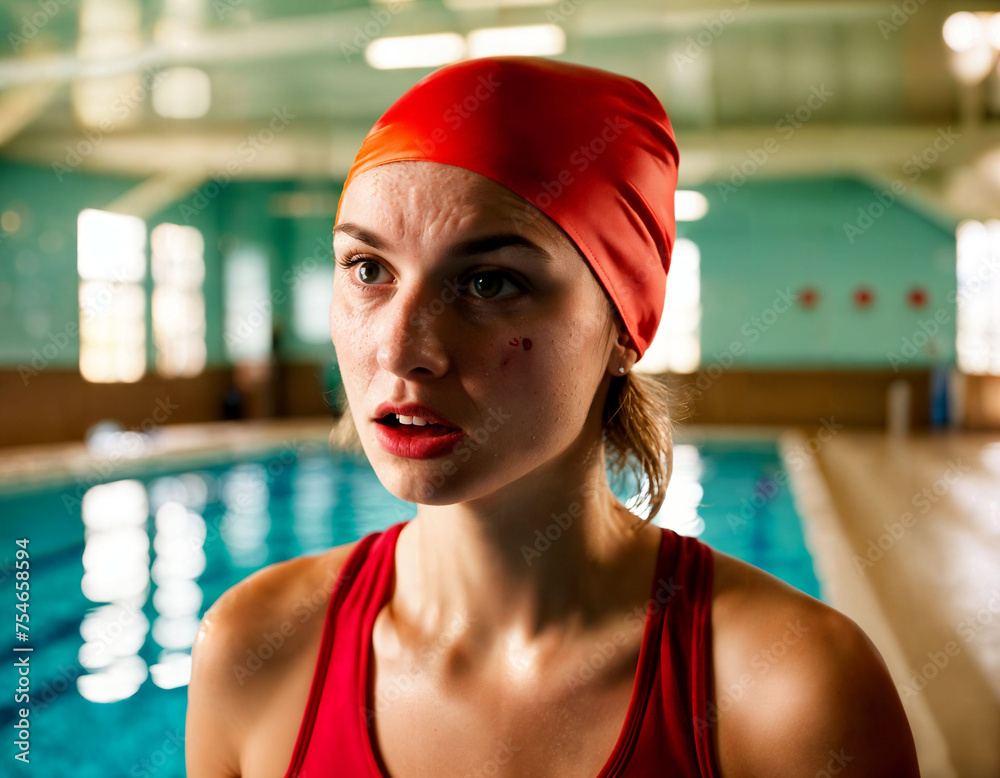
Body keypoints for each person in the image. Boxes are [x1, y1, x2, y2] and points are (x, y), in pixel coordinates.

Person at [186, 56, 920, 777]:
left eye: (488, 282)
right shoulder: (254, 651)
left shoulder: (793, 696)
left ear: (624, 326)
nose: (402, 350)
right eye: (368, 269)